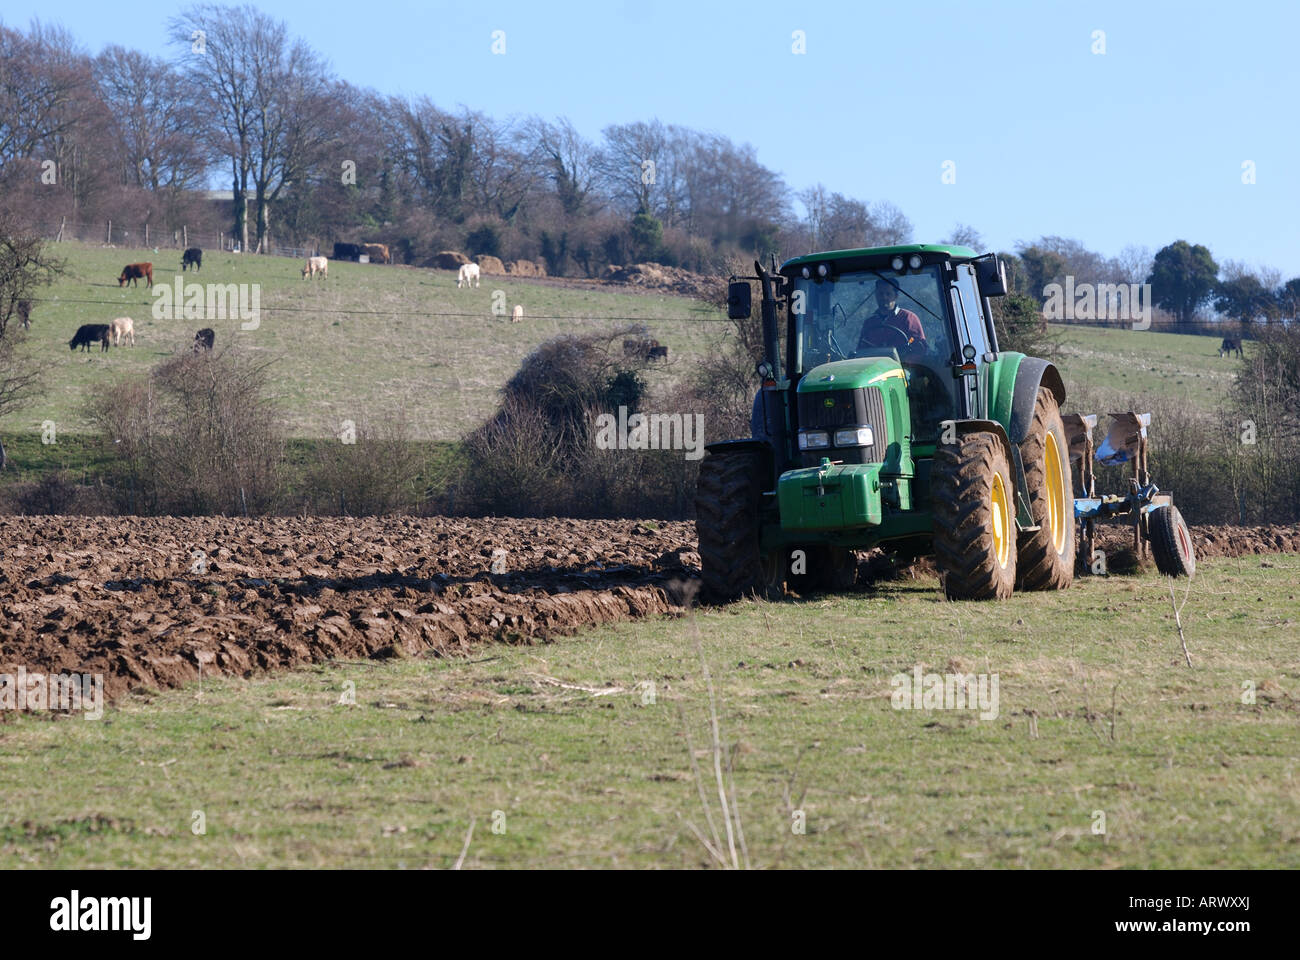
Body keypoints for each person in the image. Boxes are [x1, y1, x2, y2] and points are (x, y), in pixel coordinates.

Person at [857, 281, 927, 355]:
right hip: (875, 365)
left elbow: (918, 345)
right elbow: (861, 350)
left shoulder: (909, 318)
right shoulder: (869, 323)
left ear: (896, 296)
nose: (884, 297)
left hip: (903, 365)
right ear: (876, 296)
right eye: (881, 294)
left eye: (888, 294)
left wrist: (906, 361)